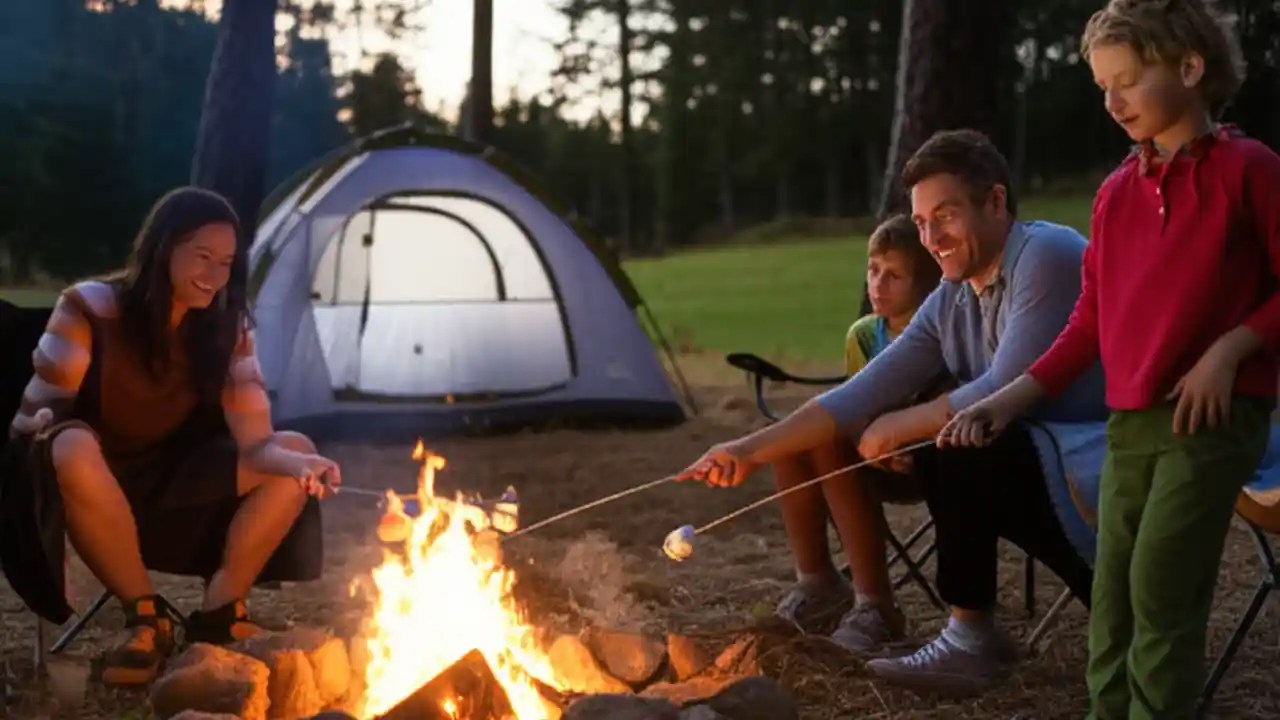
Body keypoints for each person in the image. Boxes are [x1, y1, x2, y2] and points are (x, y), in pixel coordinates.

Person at [678, 128, 1109, 689]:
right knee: (948, 445)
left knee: (956, 445)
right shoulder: (954, 296)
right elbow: (857, 394)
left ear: (996, 201)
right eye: (923, 222)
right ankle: (966, 634)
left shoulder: (1043, 255)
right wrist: (746, 450)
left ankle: (971, 638)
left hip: (1090, 460)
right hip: (1024, 468)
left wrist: (899, 424)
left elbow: (1008, 386)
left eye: (946, 216)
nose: (931, 237)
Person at [941, 1, 1280, 716]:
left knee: (1162, 588)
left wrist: (1231, 349)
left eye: (1125, 80)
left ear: (1189, 68)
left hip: (1212, 419)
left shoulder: (1250, 170)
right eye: (1101, 86)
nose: (1111, 100)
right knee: (1114, 592)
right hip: (1130, 425)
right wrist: (1006, 399)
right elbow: (1089, 323)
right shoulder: (1116, 195)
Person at [7, 187, 342, 686]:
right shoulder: (91, 308)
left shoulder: (227, 326)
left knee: (295, 450)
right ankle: (146, 619)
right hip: (88, 482)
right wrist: (36, 418)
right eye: (202, 257)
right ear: (163, 249)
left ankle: (219, 614)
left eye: (226, 262)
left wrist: (298, 468)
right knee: (69, 442)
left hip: (177, 481)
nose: (214, 276)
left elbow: (256, 442)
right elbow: (39, 418)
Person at [768, 214, 942, 648]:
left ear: (923, 283)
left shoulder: (941, 329)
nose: (878, 284)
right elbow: (856, 404)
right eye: (873, 270)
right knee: (791, 441)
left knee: (828, 442)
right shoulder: (864, 335)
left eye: (894, 275)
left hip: (930, 460)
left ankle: (876, 604)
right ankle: (818, 582)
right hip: (869, 458)